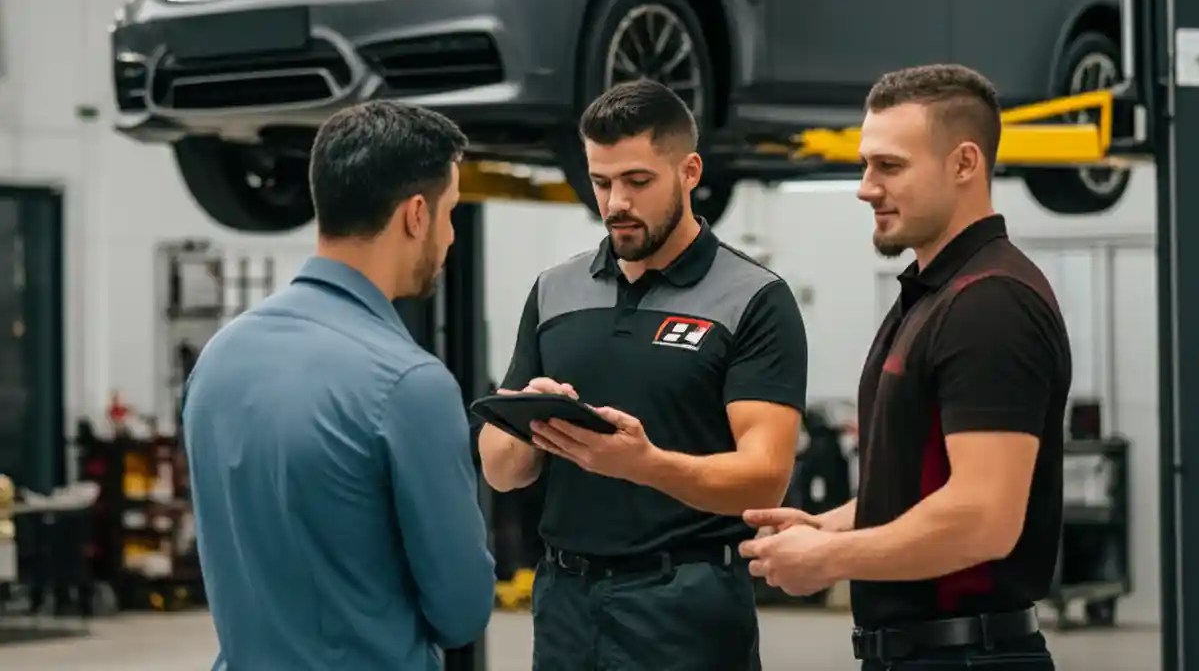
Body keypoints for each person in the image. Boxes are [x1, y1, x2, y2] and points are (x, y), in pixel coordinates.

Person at [739, 64, 1072, 670]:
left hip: (967, 657)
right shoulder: (931, 296)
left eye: (889, 166)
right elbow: (921, 488)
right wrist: (831, 526)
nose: (866, 188)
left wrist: (829, 560)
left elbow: (984, 518)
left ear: (964, 163)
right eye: (866, 165)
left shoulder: (991, 304)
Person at [477, 78, 809, 670]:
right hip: (565, 607)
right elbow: (500, 473)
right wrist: (530, 425)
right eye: (601, 182)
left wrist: (644, 464)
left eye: (637, 181)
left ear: (689, 171)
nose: (615, 204)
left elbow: (764, 480)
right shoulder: (555, 290)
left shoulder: (753, 298)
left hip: (686, 608)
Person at [181, 101, 496, 671]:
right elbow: (461, 609)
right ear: (416, 215)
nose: (451, 236)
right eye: (450, 212)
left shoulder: (219, 359)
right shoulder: (411, 385)